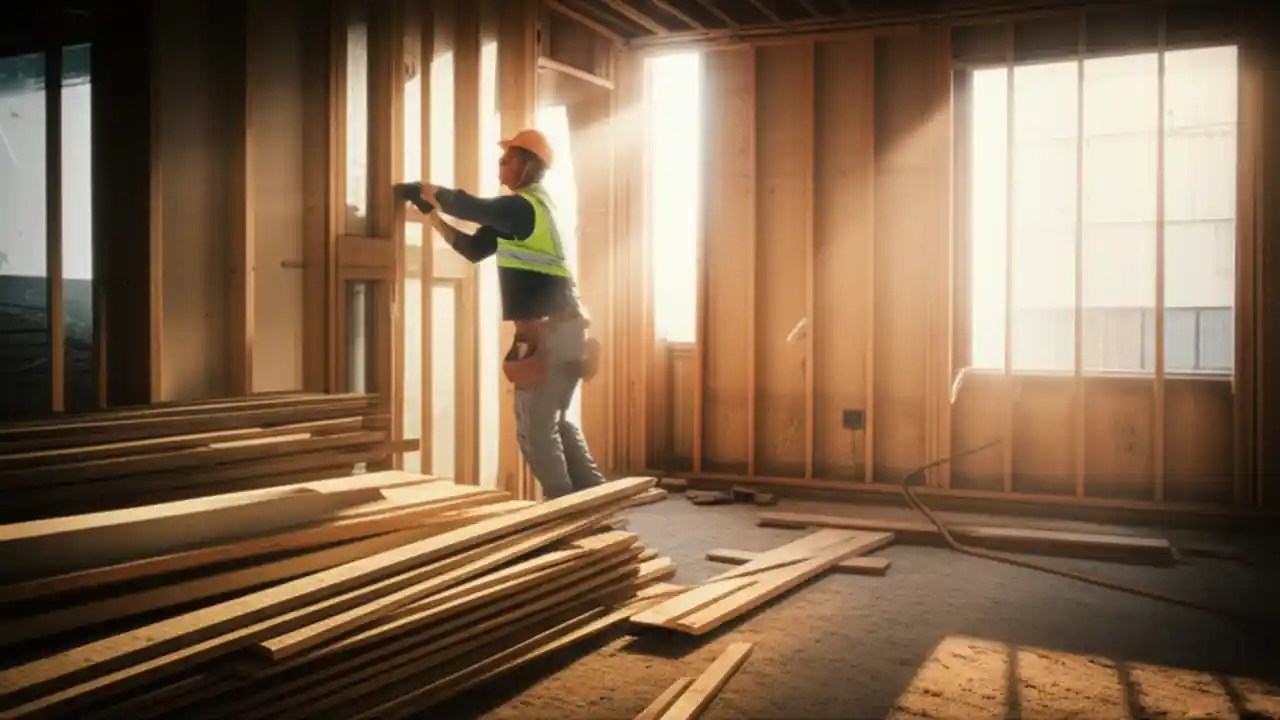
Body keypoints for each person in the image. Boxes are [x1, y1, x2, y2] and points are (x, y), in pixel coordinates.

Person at [395, 128, 605, 499]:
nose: (500, 163)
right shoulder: (527, 212)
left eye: (508, 158)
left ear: (527, 166)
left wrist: (424, 188)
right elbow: (474, 249)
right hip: (565, 327)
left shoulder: (521, 207)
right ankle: (595, 500)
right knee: (555, 421)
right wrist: (432, 215)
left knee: (536, 431)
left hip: (551, 330)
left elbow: (470, 205)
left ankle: (566, 514)